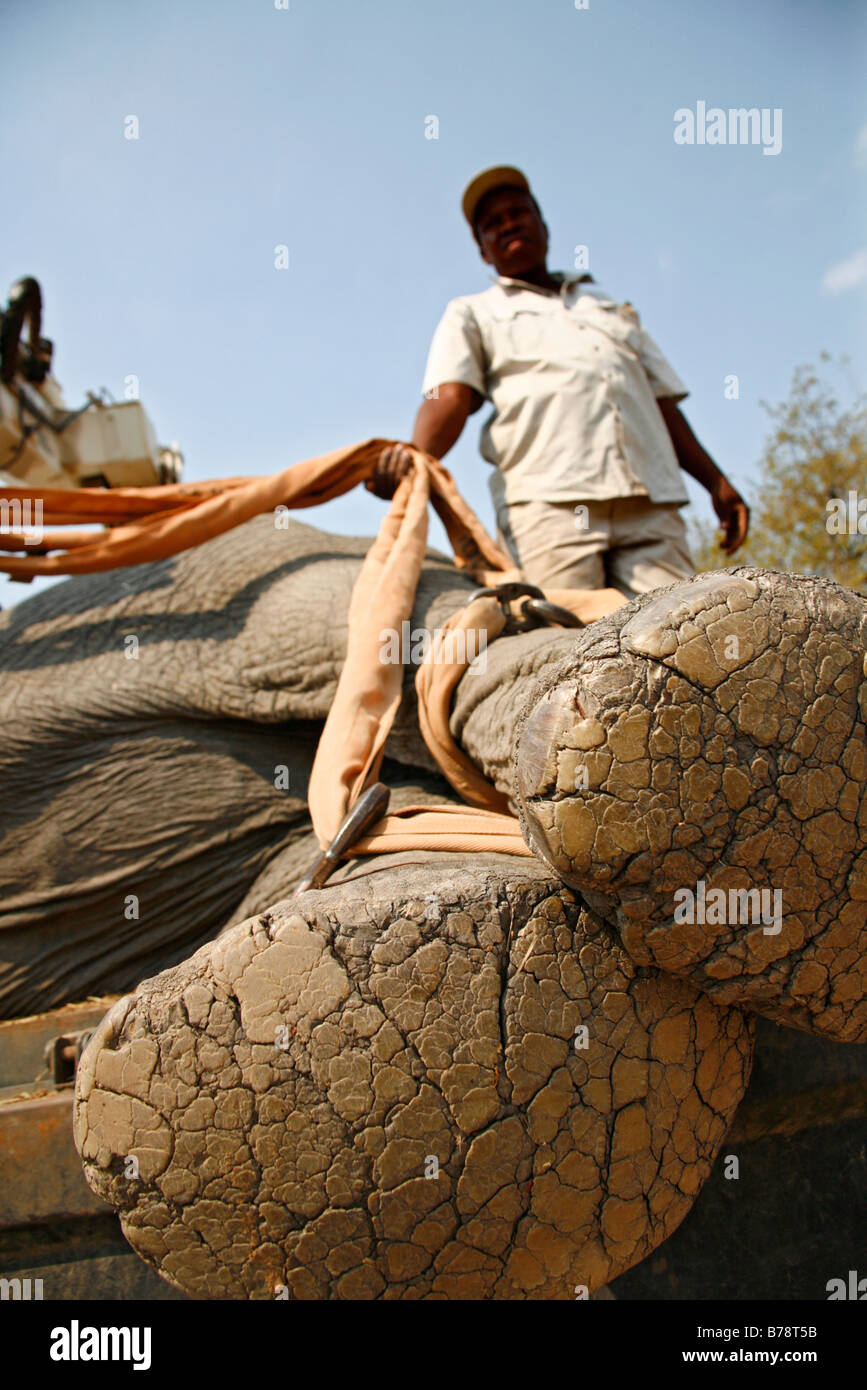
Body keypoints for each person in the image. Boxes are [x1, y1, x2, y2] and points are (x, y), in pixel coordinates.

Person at [367, 165, 749, 596]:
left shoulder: (606, 305)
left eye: (519, 212)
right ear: (482, 251)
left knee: (680, 637)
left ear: (544, 226)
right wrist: (412, 460)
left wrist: (716, 483)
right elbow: (450, 396)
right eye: (493, 224)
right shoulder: (474, 312)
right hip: (548, 506)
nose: (509, 223)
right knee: (563, 649)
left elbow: (659, 402)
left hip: (649, 503)